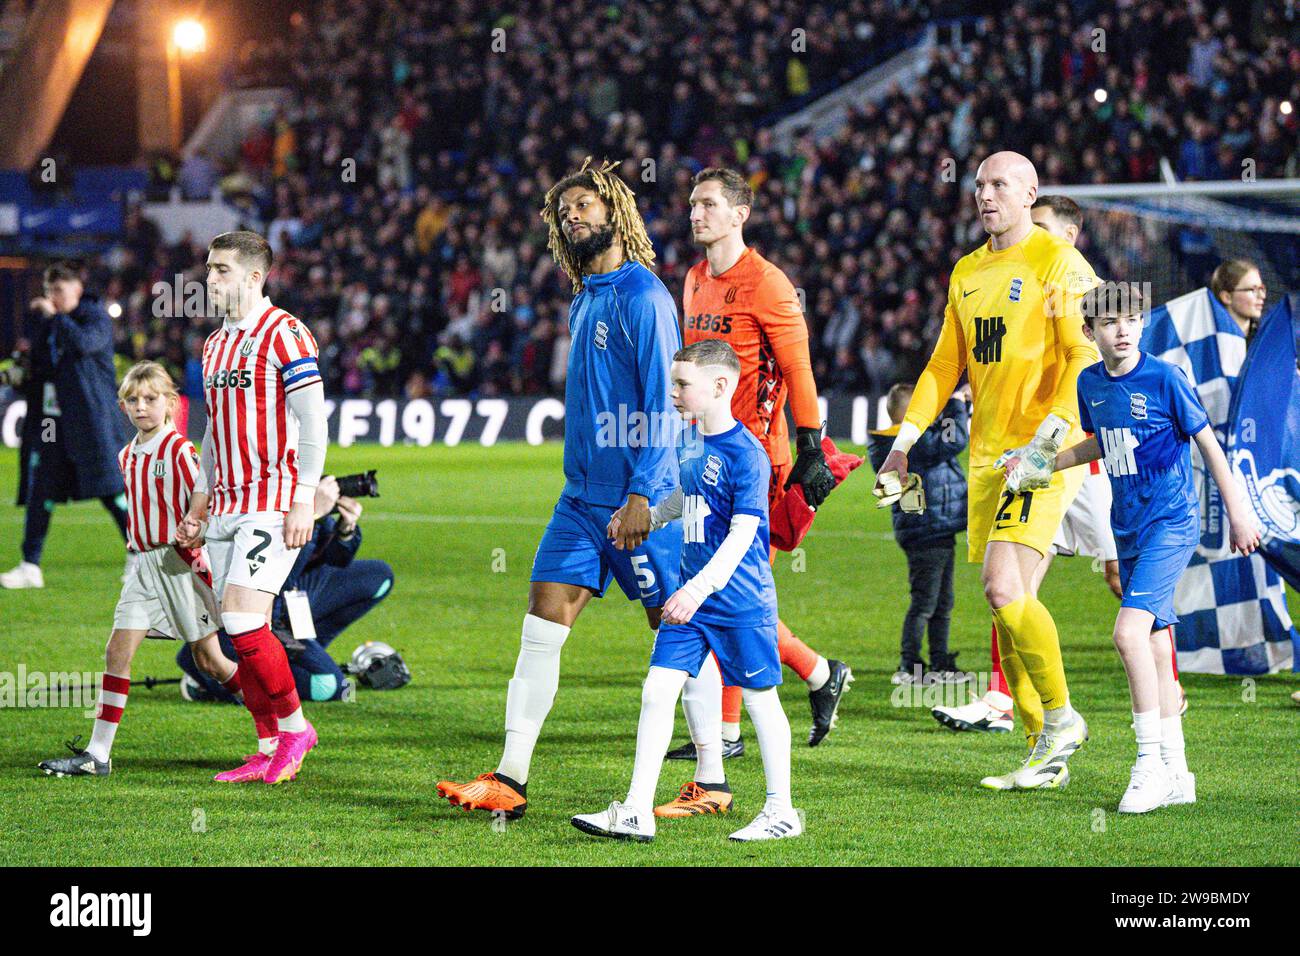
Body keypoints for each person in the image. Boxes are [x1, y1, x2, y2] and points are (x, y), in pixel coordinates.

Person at [436, 158, 683, 820]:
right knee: (542, 618)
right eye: (563, 210)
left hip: (648, 498)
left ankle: (712, 772)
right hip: (580, 499)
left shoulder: (646, 296)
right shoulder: (584, 297)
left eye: (585, 205)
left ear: (615, 212)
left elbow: (665, 405)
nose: (574, 215)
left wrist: (642, 496)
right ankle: (510, 779)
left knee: (676, 625)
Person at [874, 151, 1098, 791]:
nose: (985, 194)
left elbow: (1082, 360)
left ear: (1031, 193)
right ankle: (1042, 753)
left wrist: (1045, 447)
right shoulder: (967, 271)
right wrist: (903, 442)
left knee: (1003, 589)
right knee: (1010, 605)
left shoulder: (1059, 262)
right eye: (979, 185)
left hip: (1044, 452)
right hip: (988, 454)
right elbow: (946, 366)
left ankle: (1061, 718)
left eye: (1000, 184)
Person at [1004, 282, 1260, 811]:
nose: (1122, 330)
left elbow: (1209, 444)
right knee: (1158, 645)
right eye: (1109, 323)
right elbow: (1103, 440)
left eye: (1131, 320)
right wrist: (1043, 463)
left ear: (1142, 324)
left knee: (1128, 633)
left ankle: (1146, 767)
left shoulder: (1165, 377)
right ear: (1090, 331)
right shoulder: (1090, 382)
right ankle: (1178, 772)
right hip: (1129, 526)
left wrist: (1239, 511)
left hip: (1171, 521)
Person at [571, 340, 801, 842]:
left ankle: (782, 812)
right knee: (657, 691)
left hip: (738, 602)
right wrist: (650, 518)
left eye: (681, 384)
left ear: (720, 387)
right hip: (692, 601)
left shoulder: (748, 455)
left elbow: (744, 533)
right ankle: (636, 809)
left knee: (762, 701)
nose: (672, 392)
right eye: (673, 382)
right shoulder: (690, 441)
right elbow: (685, 497)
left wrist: (697, 589)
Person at [664, 166, 851, 779]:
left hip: (756, 461)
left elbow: (798, 369)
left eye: (710, 204)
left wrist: (811, 447)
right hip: (703, 455)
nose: (697, 214)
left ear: (740, 213)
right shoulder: (693, 280)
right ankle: (818, 675)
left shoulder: (769, 284)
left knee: (727, 592)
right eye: (693, 204)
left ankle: (727, 733)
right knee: (722, 591)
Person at [932, 194, 1135, 735]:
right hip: (1024, 459)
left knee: (1118, 576)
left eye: (1043, 227)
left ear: (1067, 236)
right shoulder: (998, 275)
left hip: (1077, 461)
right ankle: (1018, 711)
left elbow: (1095, 373)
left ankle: (1163, 682)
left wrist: (1054, 439)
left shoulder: (1084, 293)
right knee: (1011, 591)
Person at [175, 230, 328, 785]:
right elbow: (212, 433)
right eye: (209, 268)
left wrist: (303, 498)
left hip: (272, 499)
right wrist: (198, 502)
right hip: (224, 505)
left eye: (220, 270)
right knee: (239, 630)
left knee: (242, 619)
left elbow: (313, 424)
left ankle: (295, 728)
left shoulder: (285, 333)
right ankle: (266, 745)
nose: (209, 279)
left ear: (254, 277)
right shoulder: (214, 345)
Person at [37, 362, 240, 776]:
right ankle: (98, 755)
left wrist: (196, 530)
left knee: (211, 662)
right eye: (132, 400)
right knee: (116, 652)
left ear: (169, 402)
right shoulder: (127, 454)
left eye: (150, 399)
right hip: (143, 566)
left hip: (178, 566)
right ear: (122, 406)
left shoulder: (179, 451)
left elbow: (208, 503)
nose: (141, 407)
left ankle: (274, 726)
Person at [176, 475, 393, 703]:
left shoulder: (299, 484)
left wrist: (345, 529)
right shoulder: (256, 496)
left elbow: (335, 560)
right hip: (251, 609)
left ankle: (300, 655)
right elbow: (273, 579)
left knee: (380, 577)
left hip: (287, 602)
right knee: (329, 687)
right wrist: (312, 515)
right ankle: (205, 671)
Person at [2, 262, 132, 590]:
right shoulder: (47, 323)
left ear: (76, 288)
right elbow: (44, 367)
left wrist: (55, 317)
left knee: (110, 489)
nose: (53, 297)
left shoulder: (94, 317)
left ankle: (141, 554)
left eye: (58, 290)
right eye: (49, 291)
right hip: (51, 423)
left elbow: (83, 345)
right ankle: (30, 565)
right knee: (41, 488)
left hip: (90, 421)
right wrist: (22, 373)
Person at [868, 382, 970, 686]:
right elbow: (954, 440)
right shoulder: (905, 442)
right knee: (926, 602)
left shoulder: (898, 442)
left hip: (934, 528)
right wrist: (954, 403)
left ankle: (939, 663)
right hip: (926, 530)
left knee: (940, 601)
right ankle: (909, 665)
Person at [1209, 259, 1267, 342]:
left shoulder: (1267, 338)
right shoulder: (1207, 342)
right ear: (1227, 297)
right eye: (1253, 290)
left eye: (1262, 289)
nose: (1262, 296)